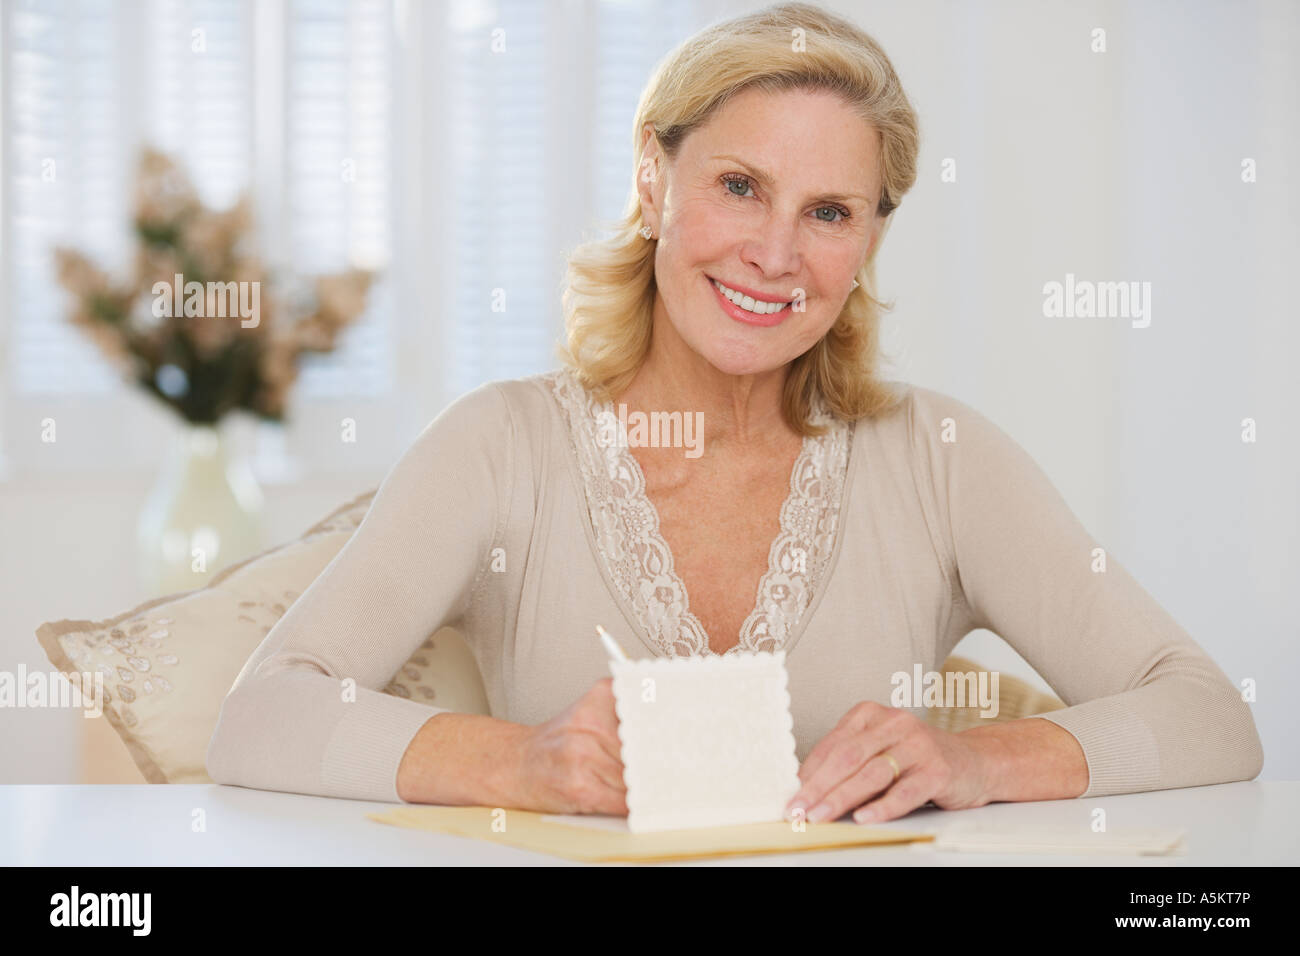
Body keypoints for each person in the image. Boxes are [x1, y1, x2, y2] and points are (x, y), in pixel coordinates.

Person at [207, 2, 1263, 824]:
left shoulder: (939, 460)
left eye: (828, 213)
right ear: (652, 180)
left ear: (869, 245)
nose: (773, 254)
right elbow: (262, 714)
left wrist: (977, 758)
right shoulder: (501, 446)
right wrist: (520, 762)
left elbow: (1208, 713)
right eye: (739, 185)